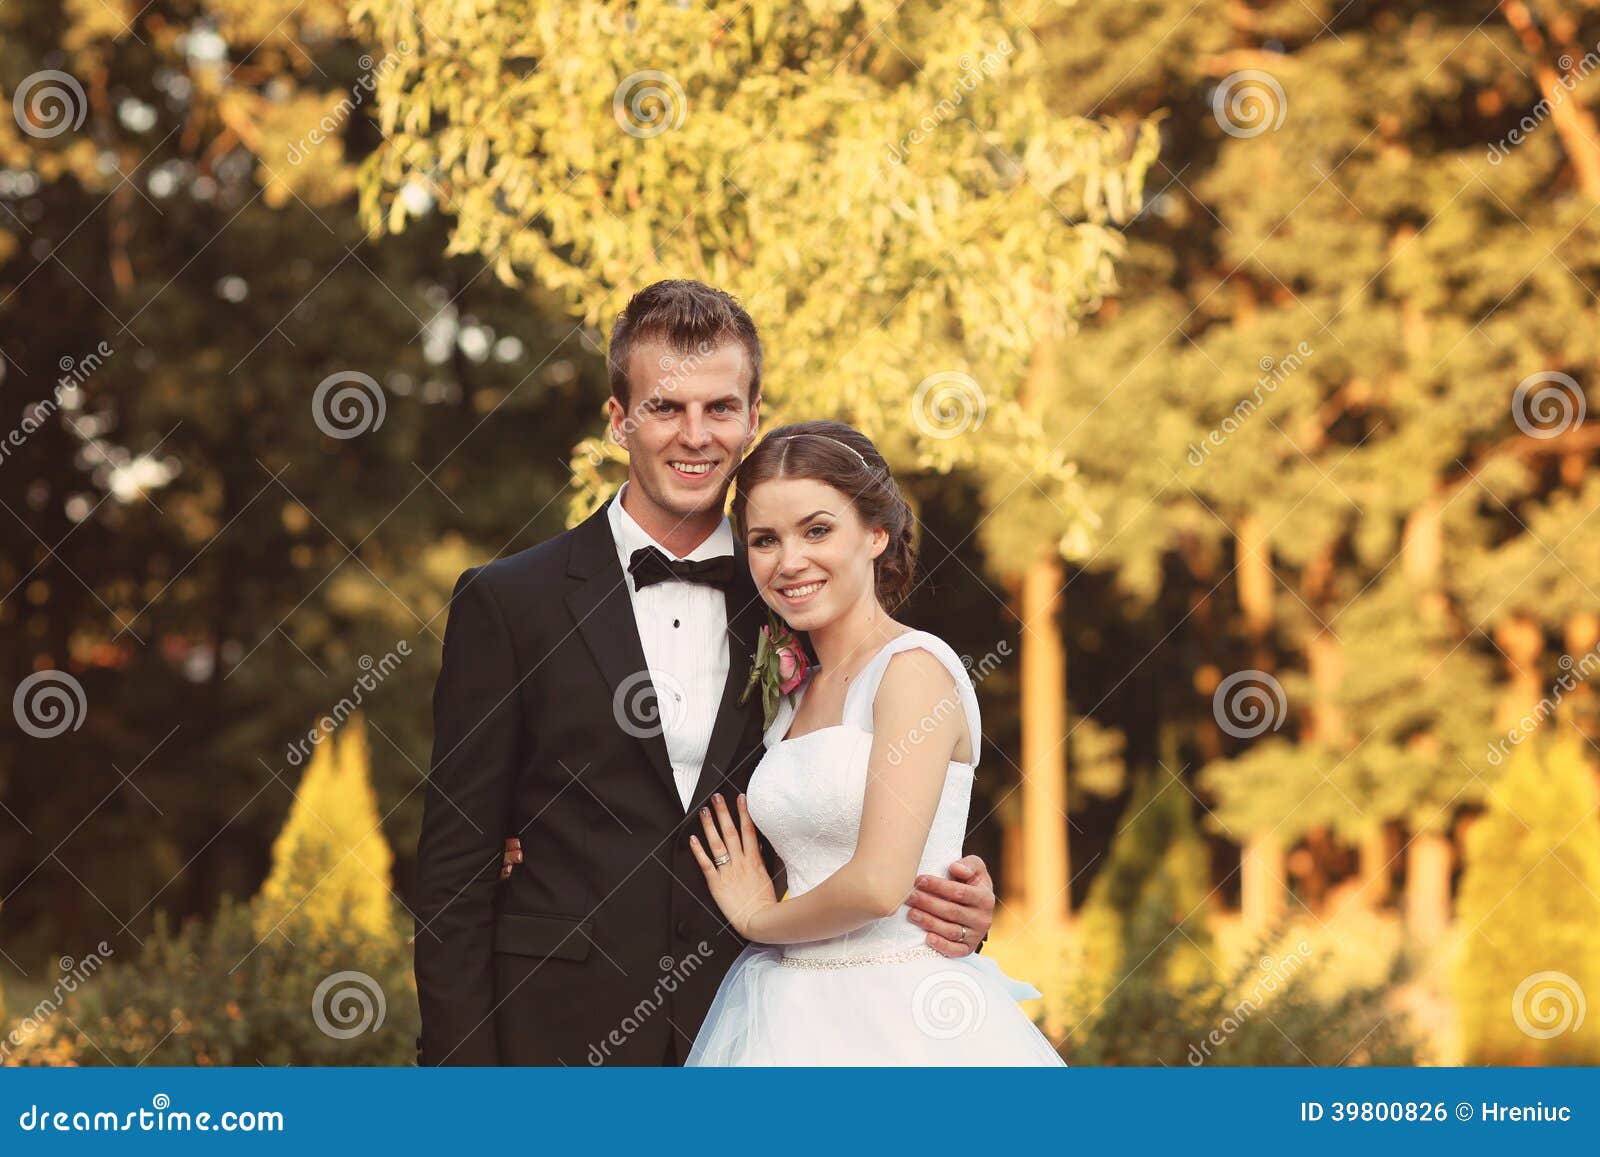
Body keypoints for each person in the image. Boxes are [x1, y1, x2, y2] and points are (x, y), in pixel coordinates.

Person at [415, 280, 997, 1066]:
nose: (696, 435)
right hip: (554, 1031)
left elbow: (871, 805)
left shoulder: (800, 607)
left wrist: (955, 895)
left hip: (758, 1022)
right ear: (619, 420)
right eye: (665, 407)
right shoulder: (509, 602)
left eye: (720, 408)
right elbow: (454, 867)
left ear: (753, 417)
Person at [678, 419, 1062, 1065]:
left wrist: (758, 919)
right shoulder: (792, 689)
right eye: (765, 539)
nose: (789, 560)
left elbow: (882, 882)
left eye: (817, 529)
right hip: (791, 1014)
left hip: (906, 1014)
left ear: (877, 533)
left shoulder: (913, 669)